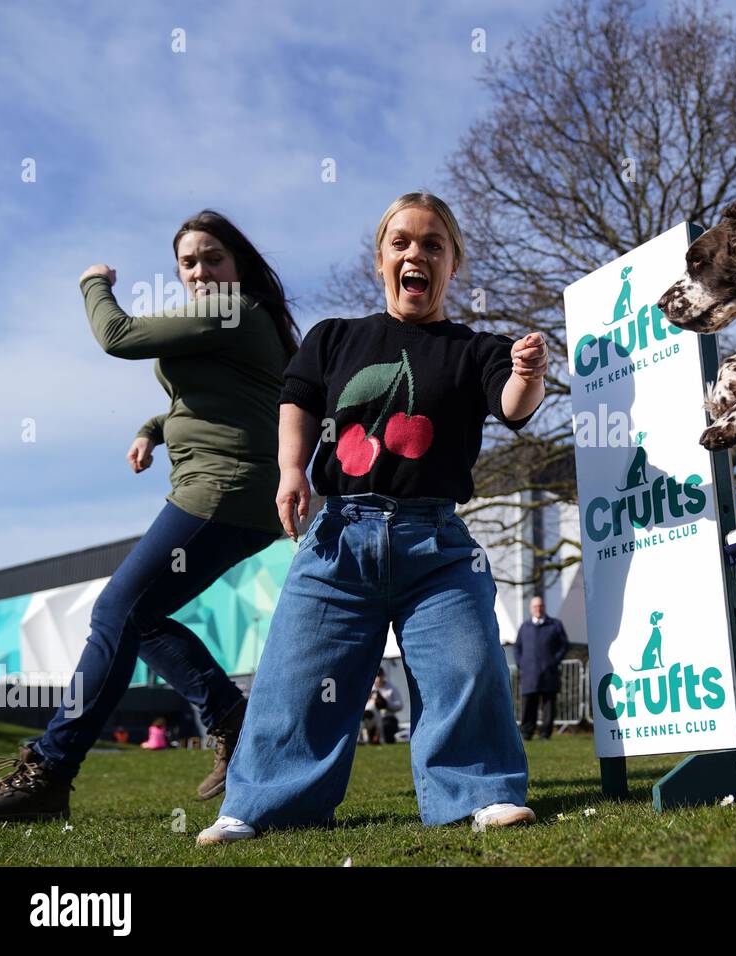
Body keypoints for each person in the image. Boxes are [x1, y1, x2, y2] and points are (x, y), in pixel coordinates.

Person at [198, 192, 547, 845]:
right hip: (338, 540)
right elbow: (297, 399)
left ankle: (481, 790)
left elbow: (514, 403)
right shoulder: (334, 337)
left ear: (453, 264)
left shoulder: (476, 349)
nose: (417, 254)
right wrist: (291, 471)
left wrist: (527, 372)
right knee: (295, 675)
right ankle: (265, 803)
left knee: (466, 667)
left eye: (434, 244)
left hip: (436, 544)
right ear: (381, 257)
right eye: (402, 242)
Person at [0, 212, 297, 824]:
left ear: (238, 265)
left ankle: (48, 772)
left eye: (212, 258)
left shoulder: (230, 308)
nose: (200, 271)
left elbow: (117, 336)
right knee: (140, 618)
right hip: (230, 491)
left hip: (222, 490)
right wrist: (152, 429)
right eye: (188, 262)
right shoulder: (234, 320)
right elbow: (215, 398)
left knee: (115, 612)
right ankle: (230, 715)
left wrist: (92, 281)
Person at [514, 596, 570, 740]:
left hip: (548, 672)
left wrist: (555, 660)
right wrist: (521, 663)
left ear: (544, 607)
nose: (538, 609)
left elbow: (564, 645)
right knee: (528, 704)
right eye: (535, 606)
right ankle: (526, 733)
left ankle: (545, 734)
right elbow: (517, 647)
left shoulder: (555, 625)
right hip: (529, 673)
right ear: (530, 609)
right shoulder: (524, 627)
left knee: (548, 705)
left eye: (540, 606)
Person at [362, 667, 404, 744]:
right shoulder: (369, 689)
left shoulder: (391, 688)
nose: (378, 678)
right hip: (371, 719)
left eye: (380, 675)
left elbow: (400, 705)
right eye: (376, 676)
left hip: (387, 718)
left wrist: (387, 704)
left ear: (383, 675)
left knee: (386, 729)